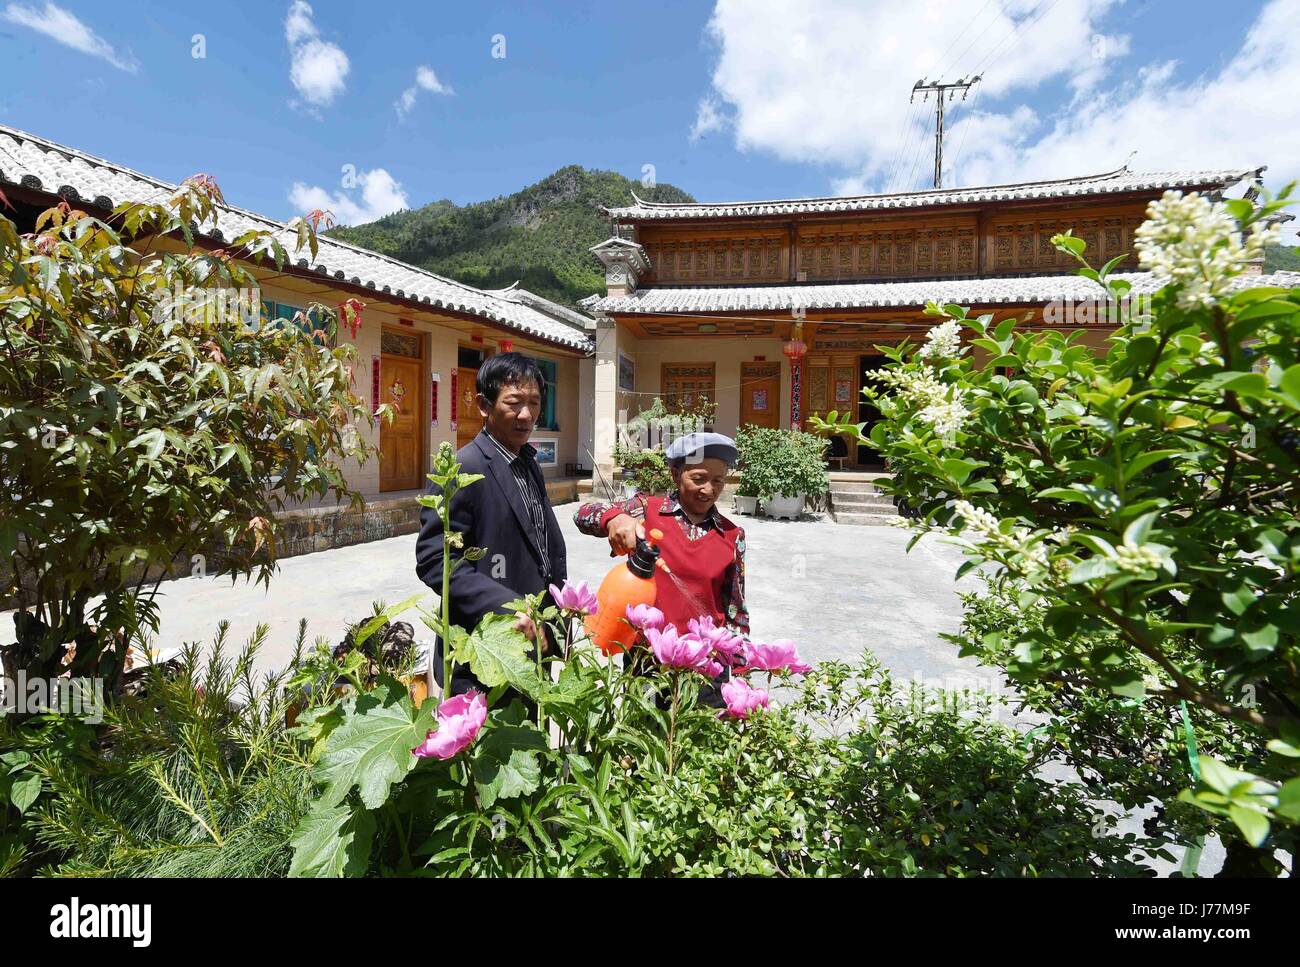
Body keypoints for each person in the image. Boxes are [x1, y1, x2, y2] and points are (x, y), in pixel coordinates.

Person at [415, 352, 567, 699]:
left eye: (534, 403)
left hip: (531, 642)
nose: (526, 415)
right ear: (484, 405)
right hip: (483, 651)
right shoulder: (462, 470)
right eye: (514, 403)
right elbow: (436, 560)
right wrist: (506, 606)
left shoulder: (526, 462)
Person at [574, 431, 747, 706]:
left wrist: (739, 676)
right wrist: (614, 519)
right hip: (647, 662)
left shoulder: (732, 535)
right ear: (676, 475)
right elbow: (583, 514)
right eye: (699, 479)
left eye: (718, 481)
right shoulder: (646, 510)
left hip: (706, 667)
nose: (709, 490)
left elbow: (736, 612)